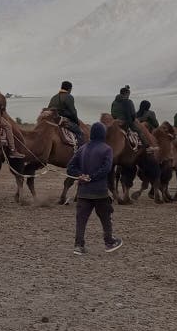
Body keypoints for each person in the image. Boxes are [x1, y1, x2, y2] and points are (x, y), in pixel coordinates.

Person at [67, 122, 123, 255]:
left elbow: (70, 167)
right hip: (100, 192)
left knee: (81, 220)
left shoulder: (82, 148)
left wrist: (80, 175)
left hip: (83, 192)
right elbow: (106, 169)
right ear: (103, 134)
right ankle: (109, 242)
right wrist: (91, 177)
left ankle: (78, 246)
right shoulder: (107, 149)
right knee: (105, 217)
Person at [47, 81, 84, 146]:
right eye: (71, 89)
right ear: (69, 89)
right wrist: (77, 123)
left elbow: (49, 109)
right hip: (63, 122)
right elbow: (73, 113)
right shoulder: (69, 97)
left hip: (52, 121)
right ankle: (80, 152)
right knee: (80, 132)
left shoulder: (54, 97)